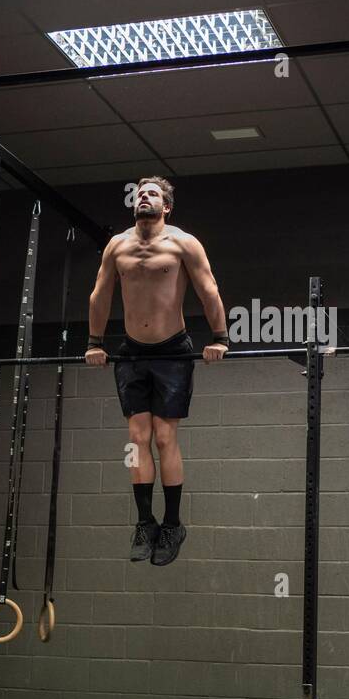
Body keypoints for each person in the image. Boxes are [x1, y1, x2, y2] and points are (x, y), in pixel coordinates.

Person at [85, 176, 228, 566]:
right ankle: (145, 522)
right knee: (137, 436)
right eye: (140, 192)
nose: (144, 196)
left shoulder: (183, 242)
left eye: (153, 194)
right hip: (132, 351)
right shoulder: (117, 246)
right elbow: (100, 294)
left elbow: (209, 289)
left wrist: (220, 337)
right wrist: (95, 342)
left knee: (165, 438)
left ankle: (172, 523)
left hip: (171, 350)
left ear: (166, 207)